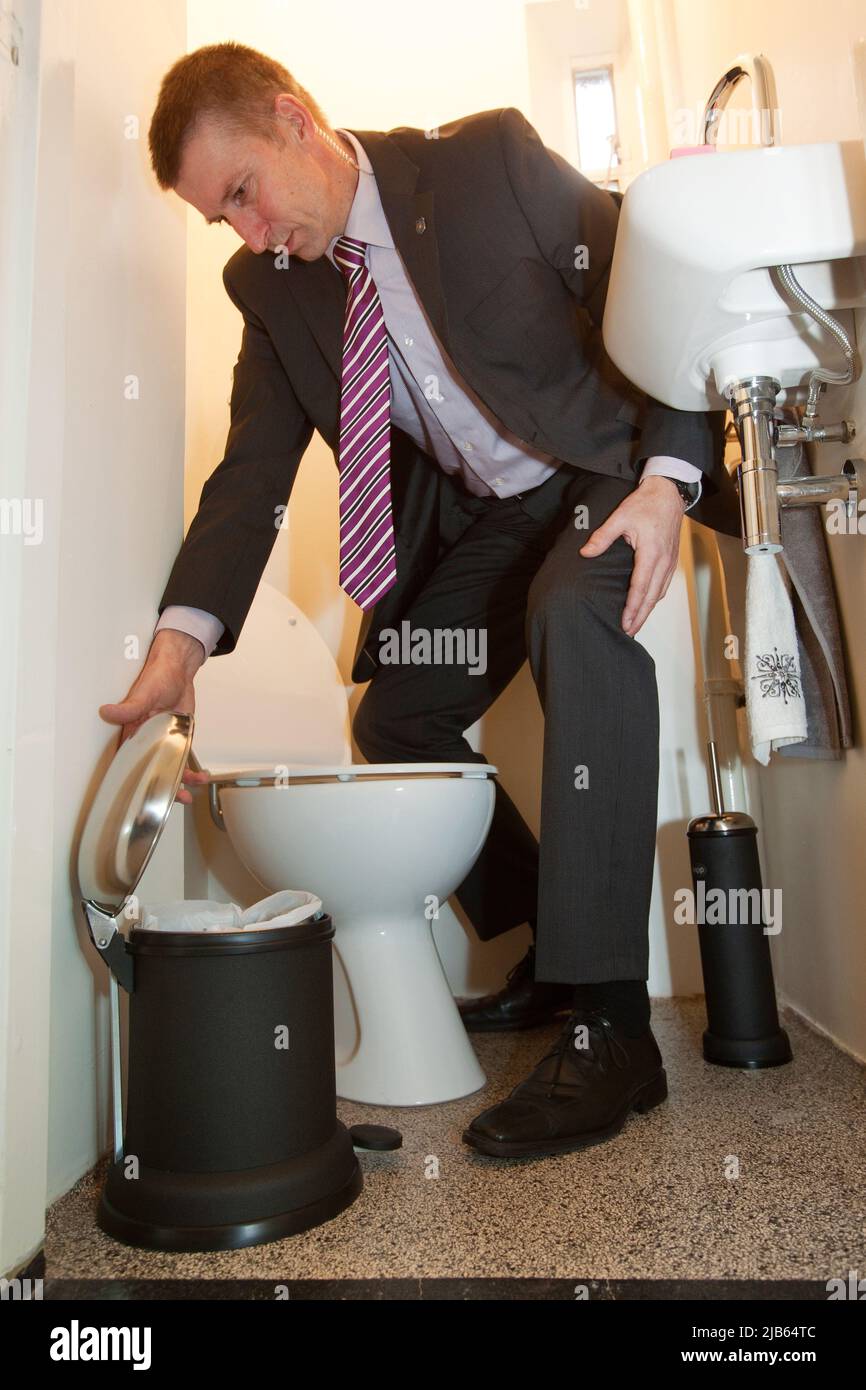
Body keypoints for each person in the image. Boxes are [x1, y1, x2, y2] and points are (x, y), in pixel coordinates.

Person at [100, 42, 742, 1159]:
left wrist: (664, 477)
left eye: (243, 193)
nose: (248, 234)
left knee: (571, 612)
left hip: (599, 471)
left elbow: (652, 289)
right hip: (489, 517)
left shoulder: (484, 162)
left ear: (294, 120)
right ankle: (552, 947)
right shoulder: (270, 286)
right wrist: (178, 649)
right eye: (223, 220)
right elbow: (250, 475)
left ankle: (610, 1027)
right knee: (395, 717)